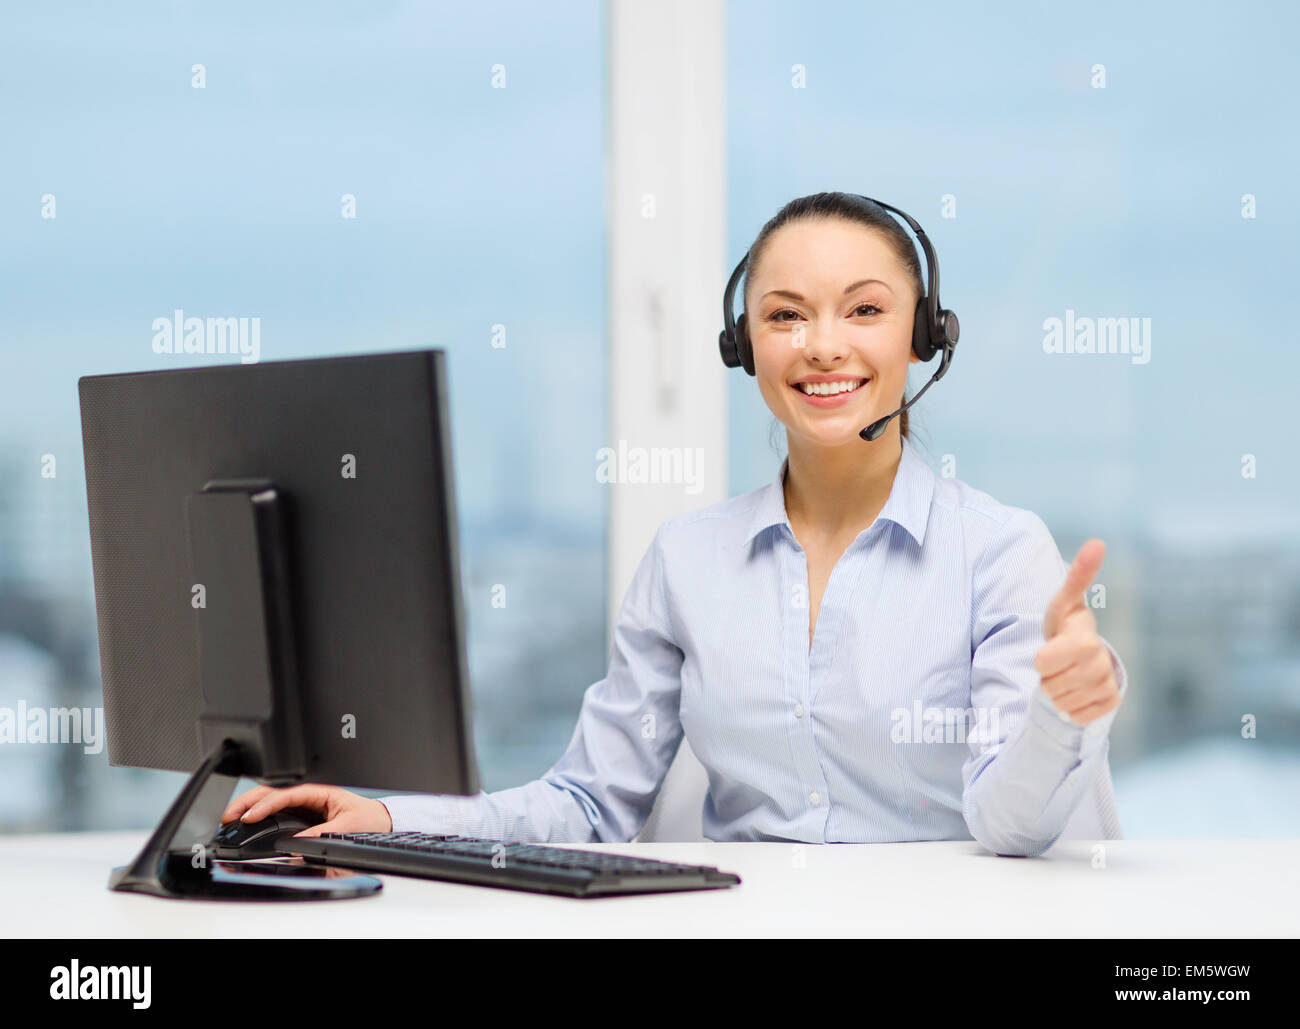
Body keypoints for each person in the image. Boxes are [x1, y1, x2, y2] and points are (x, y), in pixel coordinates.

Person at [223, 192, 1126, 857]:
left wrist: (1060, 711)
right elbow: (587, 803)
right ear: (745, 347)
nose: (821, 344)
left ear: (923, 336)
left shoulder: (1000, 552)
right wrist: (387, 815)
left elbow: (1010, 826)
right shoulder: (687, 559)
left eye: (865, 309)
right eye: (784, 315)